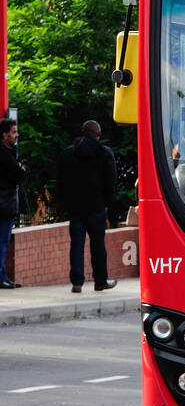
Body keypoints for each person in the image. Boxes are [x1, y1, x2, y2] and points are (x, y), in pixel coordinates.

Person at [57, 120, 118, 293]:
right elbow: (111, 182)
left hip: (75, 208)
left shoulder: (67, 154)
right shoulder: (105, 153)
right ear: (98, 134)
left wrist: (65, 204)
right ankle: (100, 281)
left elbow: (60, 182)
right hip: (97, 207)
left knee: (76, 245)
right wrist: (107, 204)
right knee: (98, 246)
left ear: (83, 132)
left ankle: (77, 283)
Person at [0, 119, 24, 288]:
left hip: (6, 204)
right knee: (2, 242)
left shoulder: (8, 152)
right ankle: (1, 277)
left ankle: (3, 276)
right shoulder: (4, 153)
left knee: (3, 242)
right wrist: (22, 168)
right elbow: (19, 174)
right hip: (4, 205)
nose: (16, 135)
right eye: (14, 132)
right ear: (5, 135)